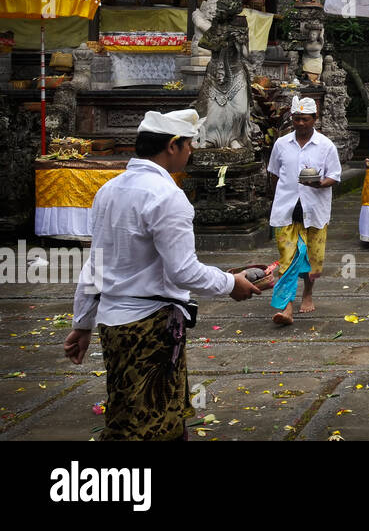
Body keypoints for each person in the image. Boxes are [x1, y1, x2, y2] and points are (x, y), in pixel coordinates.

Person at [64, 109, 261, 441]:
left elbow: (94, 266)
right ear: (173, 145)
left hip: (113, 325)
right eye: (189, 144)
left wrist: (83, 323)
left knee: (133, 414)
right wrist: (231, 284)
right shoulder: (167, 196)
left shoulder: (108, 191)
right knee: (150, 426)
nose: (192, 151)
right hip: (149, 326)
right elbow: (183, 272)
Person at [266, 96, 341, 325]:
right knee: (287, 259)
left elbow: (334, 176)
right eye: (296, 119)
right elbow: (274, 173)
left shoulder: (325, 146)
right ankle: (286, 307)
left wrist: (319, 184)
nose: (300, 124)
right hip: (286, 209)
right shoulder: (281, 144)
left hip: (314, 210)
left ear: (314, 119)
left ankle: (307, 292)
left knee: (312, 259)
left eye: (305, 119)